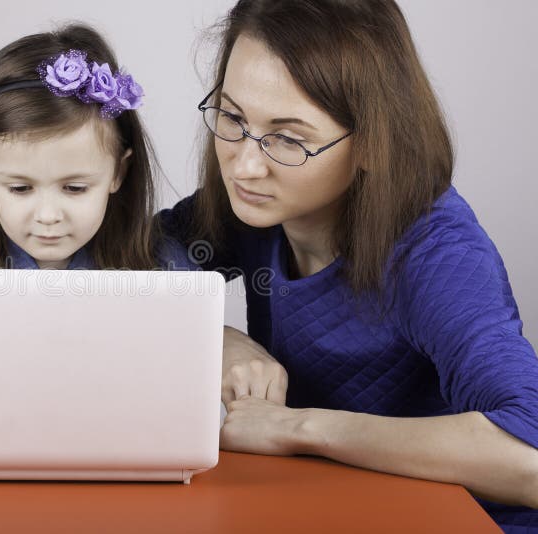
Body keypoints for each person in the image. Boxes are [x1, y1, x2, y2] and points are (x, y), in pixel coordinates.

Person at [159, 0, 538, 530]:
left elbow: (529, 455)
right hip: (329, 509)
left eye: (288, 139)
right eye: (233, 117)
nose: (244, 164)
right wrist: (219, 337)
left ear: (370, 144)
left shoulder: (437, 253)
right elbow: (134, 260)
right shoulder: (253, 201)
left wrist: (301, 428)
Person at [0, 24, 194, 358]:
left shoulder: (164, 266)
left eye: (75, 188)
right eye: (20, 188)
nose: (48, 216)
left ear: (118, 172)